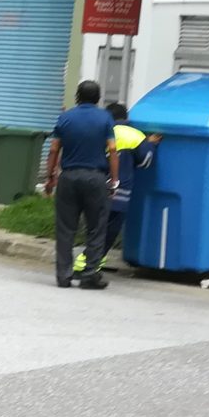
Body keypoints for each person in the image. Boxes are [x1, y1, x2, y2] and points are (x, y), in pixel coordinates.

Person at [42, 80, 118, 289]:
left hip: (68, 178)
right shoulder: (105, 118)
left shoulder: (65, 118)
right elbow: (112, 150)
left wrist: (50, 177)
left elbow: (54, 149)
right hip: (95, 178)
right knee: (96, 227)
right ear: (98, 98)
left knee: (66, 229)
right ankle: (89, 275)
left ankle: (63, 276)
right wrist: (114, 180)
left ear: (77, 97)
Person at [104, 101, 161, 268]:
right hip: (120, 193)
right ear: (126, 117)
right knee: (111, 230)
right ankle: (89, 263)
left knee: (96, 228)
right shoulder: (134, 135)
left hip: (95, 188)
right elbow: (145, 161)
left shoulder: (100, 131)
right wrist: (150, 144)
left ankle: (90, 263)